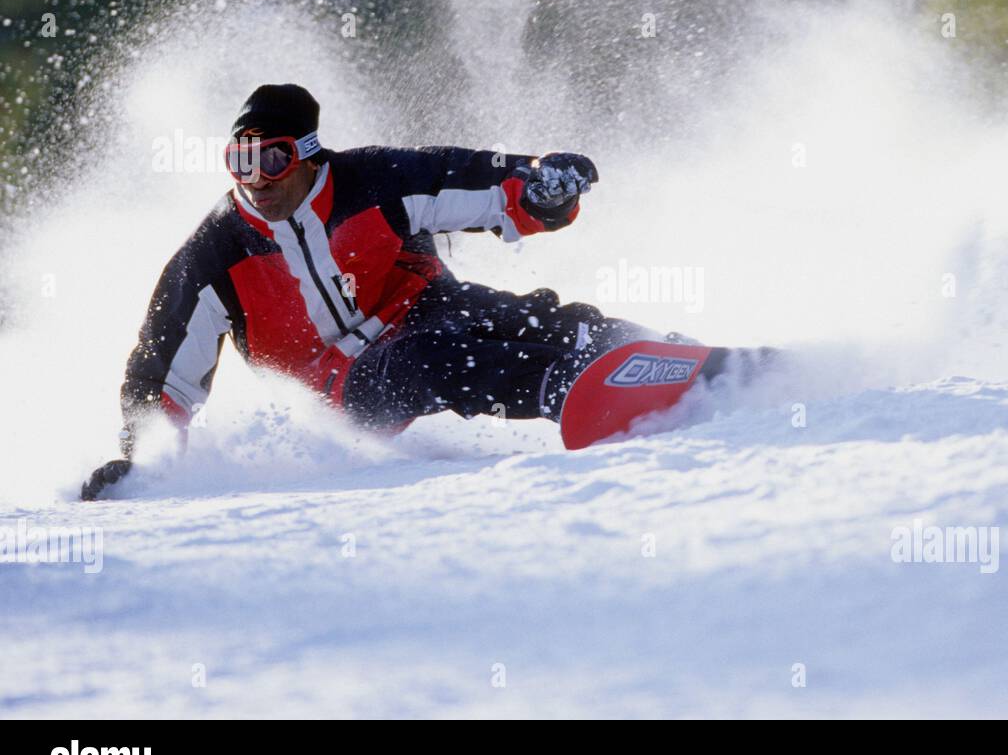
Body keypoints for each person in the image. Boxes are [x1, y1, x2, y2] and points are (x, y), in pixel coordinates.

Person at [81, 83, 666, 500]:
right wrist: (142, 466)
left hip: (422, 307)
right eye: (240, 162)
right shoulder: (213, 257)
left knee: (520, 315)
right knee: (429, 361)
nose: (256, 181)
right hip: (336, 388)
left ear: (307, 155)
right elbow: (163, 375)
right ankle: (575, 389)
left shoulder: (375, 181)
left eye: (272, 159)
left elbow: (479, 183)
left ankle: (657, 357)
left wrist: (541, 189)